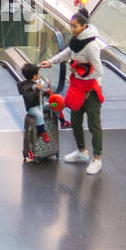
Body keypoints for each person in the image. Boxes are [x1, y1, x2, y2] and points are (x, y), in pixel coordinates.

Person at [42, 9, 104, 174]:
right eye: (71, 25)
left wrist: (80, 74)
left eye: (75, 26)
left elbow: (99, 70)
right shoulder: (76, 41)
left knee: (94, 124)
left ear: (84, 26)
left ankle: (97, 158)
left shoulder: (91, 46)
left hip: (91, 91)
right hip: (77, 88)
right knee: (75, 120)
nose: (72, 29)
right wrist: (50, 62)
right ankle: (82, 151)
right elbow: (67, 53)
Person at [17, 63, 51, 153]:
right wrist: (37, 90)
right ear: (35, 76)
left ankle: (62, 119)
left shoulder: (34, 84)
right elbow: (30, 98)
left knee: (54, 105)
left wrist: (45, 93)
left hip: (40, 104)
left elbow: (39, 95)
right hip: (32, 108)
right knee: (39, 114)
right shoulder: (25, 86)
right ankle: (42, 131)